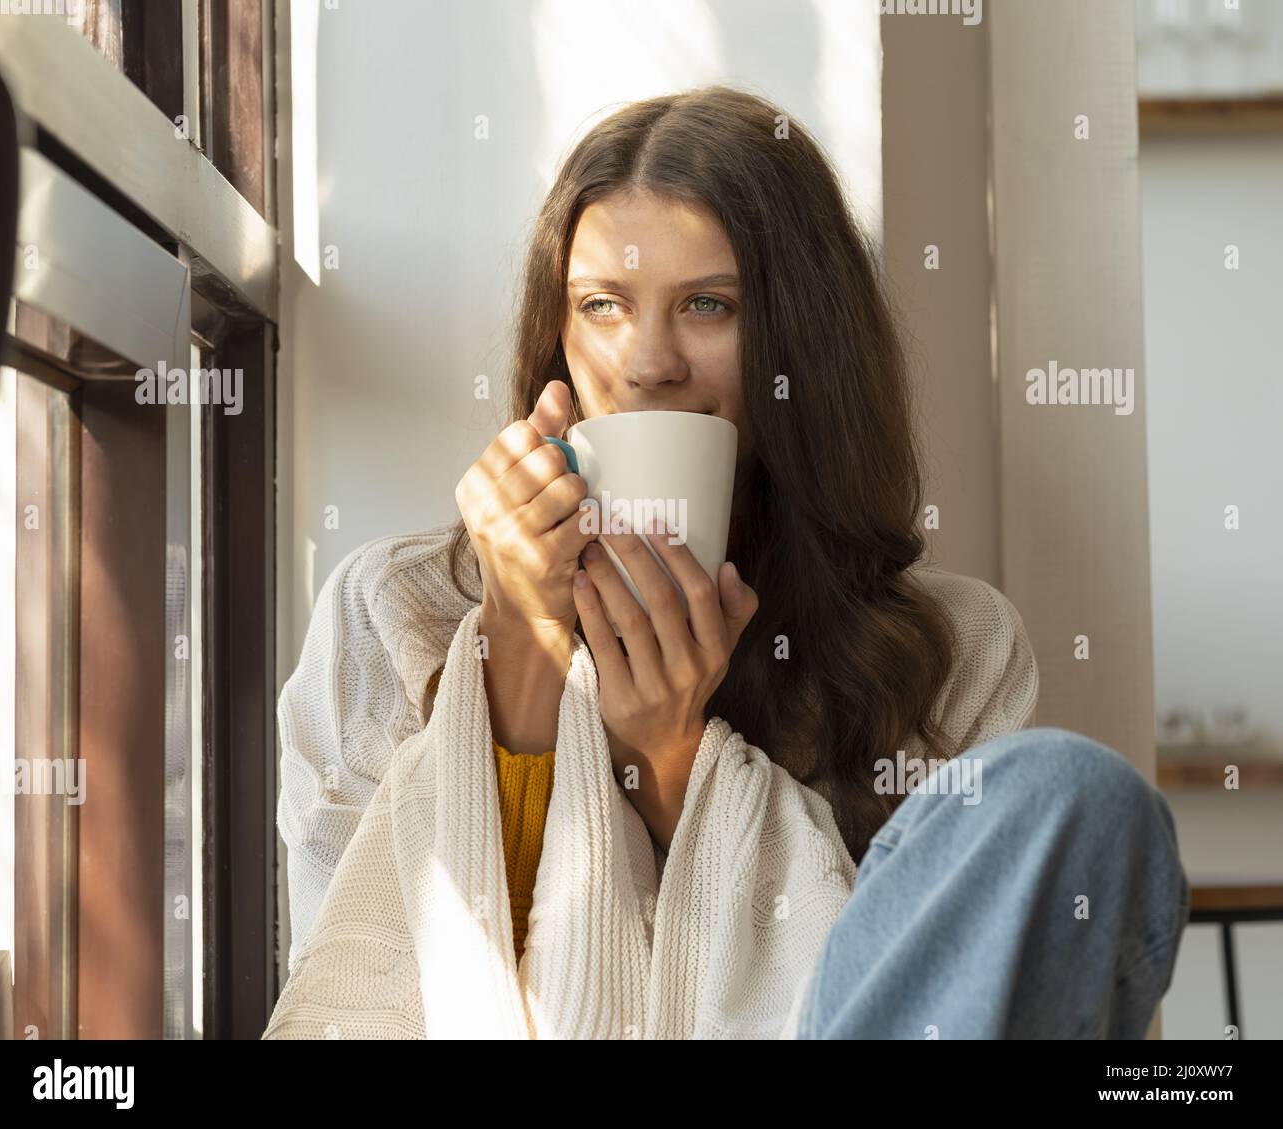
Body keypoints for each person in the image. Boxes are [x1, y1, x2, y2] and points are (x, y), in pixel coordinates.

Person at [265, 84, 1189, 1039]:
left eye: (709, 305)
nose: (648, 362)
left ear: (804, 341)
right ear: (558, 339)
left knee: (1075, 795)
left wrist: (673, 763)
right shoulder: (391, 612)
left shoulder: (952, 649)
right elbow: (362, 994)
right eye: (603, 305)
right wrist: (520, 656)